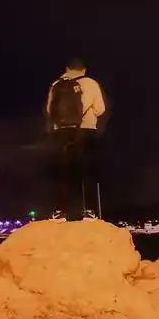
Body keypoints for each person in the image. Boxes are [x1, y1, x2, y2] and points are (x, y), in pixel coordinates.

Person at [45, 58, 106, 221]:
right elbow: (100, 109)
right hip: (86, 130)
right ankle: (90, 212)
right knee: (88, 171)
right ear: (84, 70)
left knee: (63, 172)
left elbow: (49, 110)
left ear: (66, 68)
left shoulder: (56, 84)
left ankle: (60, 212)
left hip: (62, 132)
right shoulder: (91, 83)